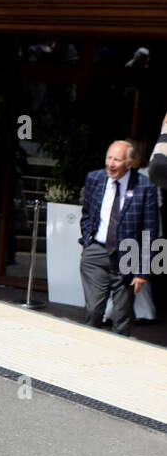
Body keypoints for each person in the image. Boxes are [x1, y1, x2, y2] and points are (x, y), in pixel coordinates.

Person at [79, 139, 160, 335]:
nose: (111, 164)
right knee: (93, 311)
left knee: (122, 317)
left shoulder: (145, 186)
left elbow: (151, 230)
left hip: (128, 255)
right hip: (96, 253)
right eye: (109, 158)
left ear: (130, 163)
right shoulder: (94, 178)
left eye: (117, 159)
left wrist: (143, 272)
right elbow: (87, 213)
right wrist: (87, 241)